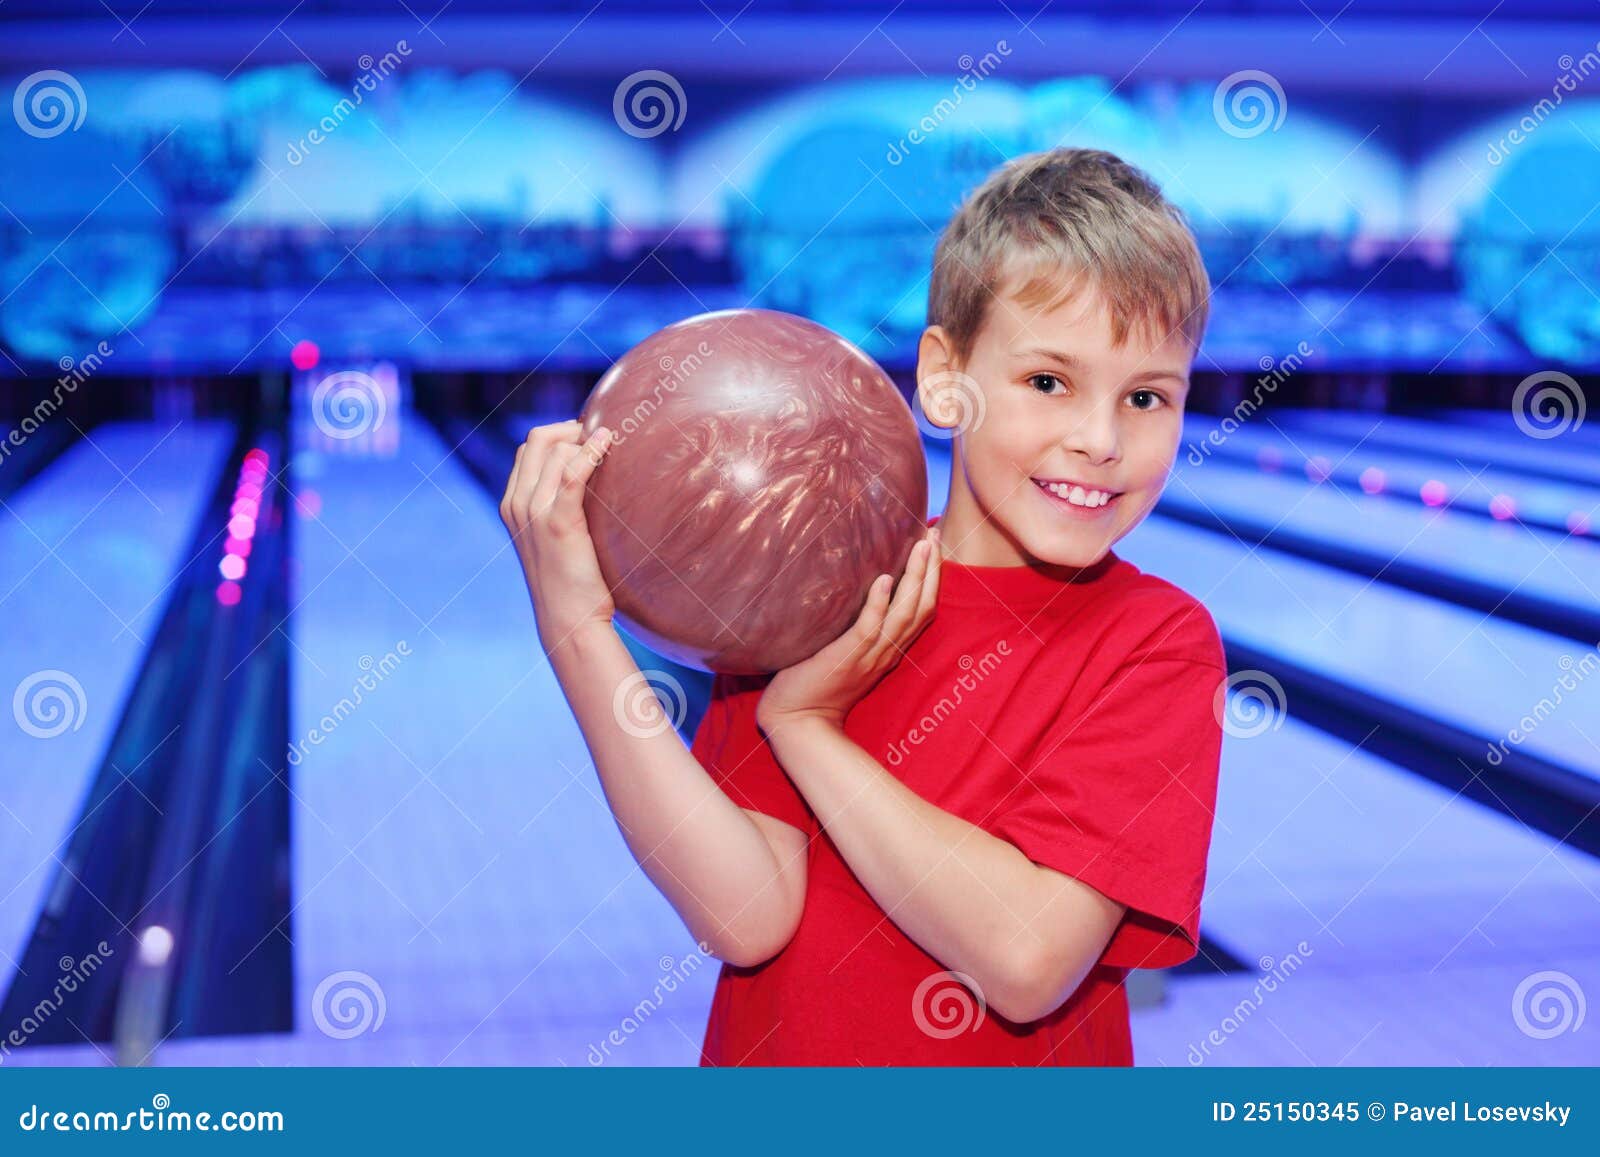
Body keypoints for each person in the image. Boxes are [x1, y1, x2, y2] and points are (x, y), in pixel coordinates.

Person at [501, 146, 1226, 1065]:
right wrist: (578, 631)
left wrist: (806, 725)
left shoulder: (1155, 643)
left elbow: (1027, 957)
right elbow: (746, 917)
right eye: (1048, 381)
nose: (1100, 439)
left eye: (1147, 397)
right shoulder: (810, 578)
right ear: (943, 378)